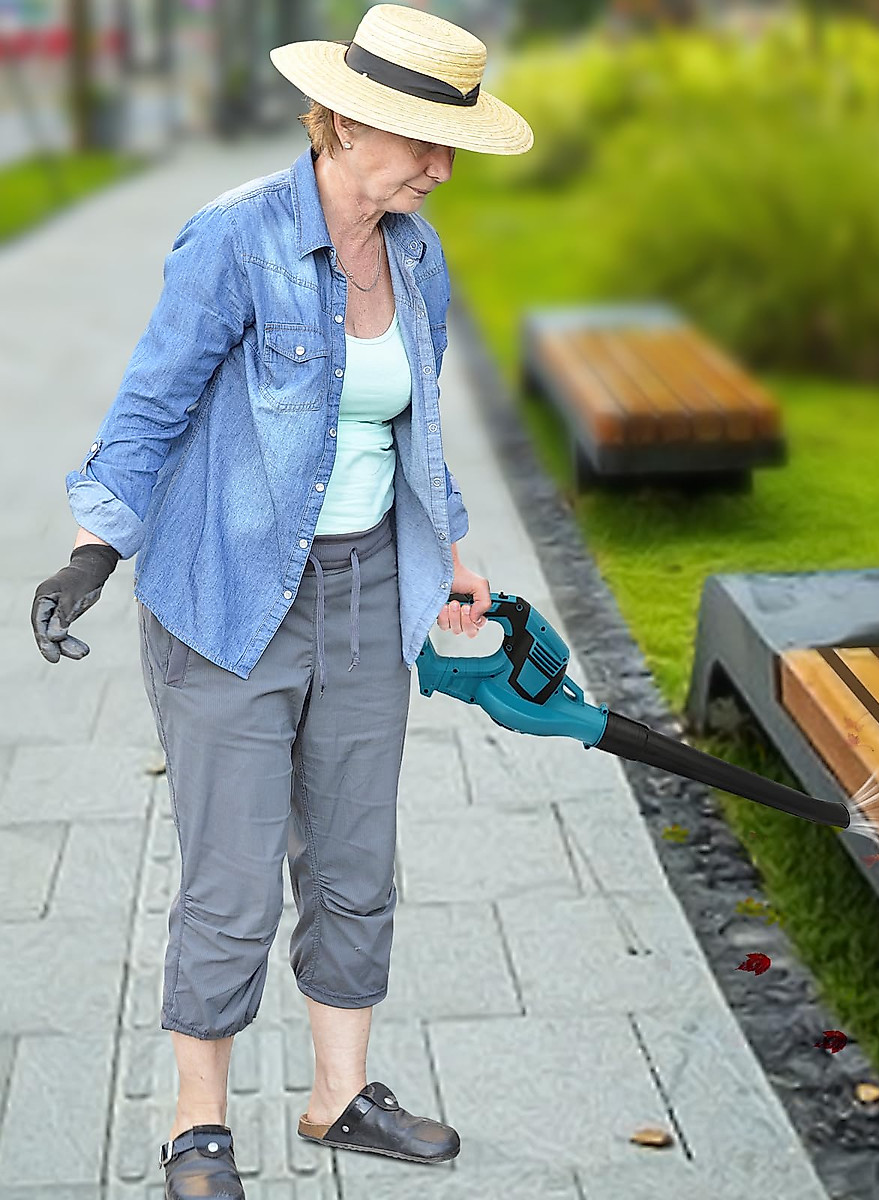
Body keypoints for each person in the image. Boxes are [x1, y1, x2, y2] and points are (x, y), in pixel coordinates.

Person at [30, 6, 533, 1197]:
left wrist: (454, 550)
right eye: (424, 141)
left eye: (452, 145)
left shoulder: (416, 254)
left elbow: (414, 424)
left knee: (356, 857)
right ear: (347, 124)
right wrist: (91, 553)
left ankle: (339, 1095)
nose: (440, 168)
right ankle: (196, 1124)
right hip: (228, 597)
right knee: (234, 877)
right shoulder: (235, 238)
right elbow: (151, 404)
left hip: (369, 592)